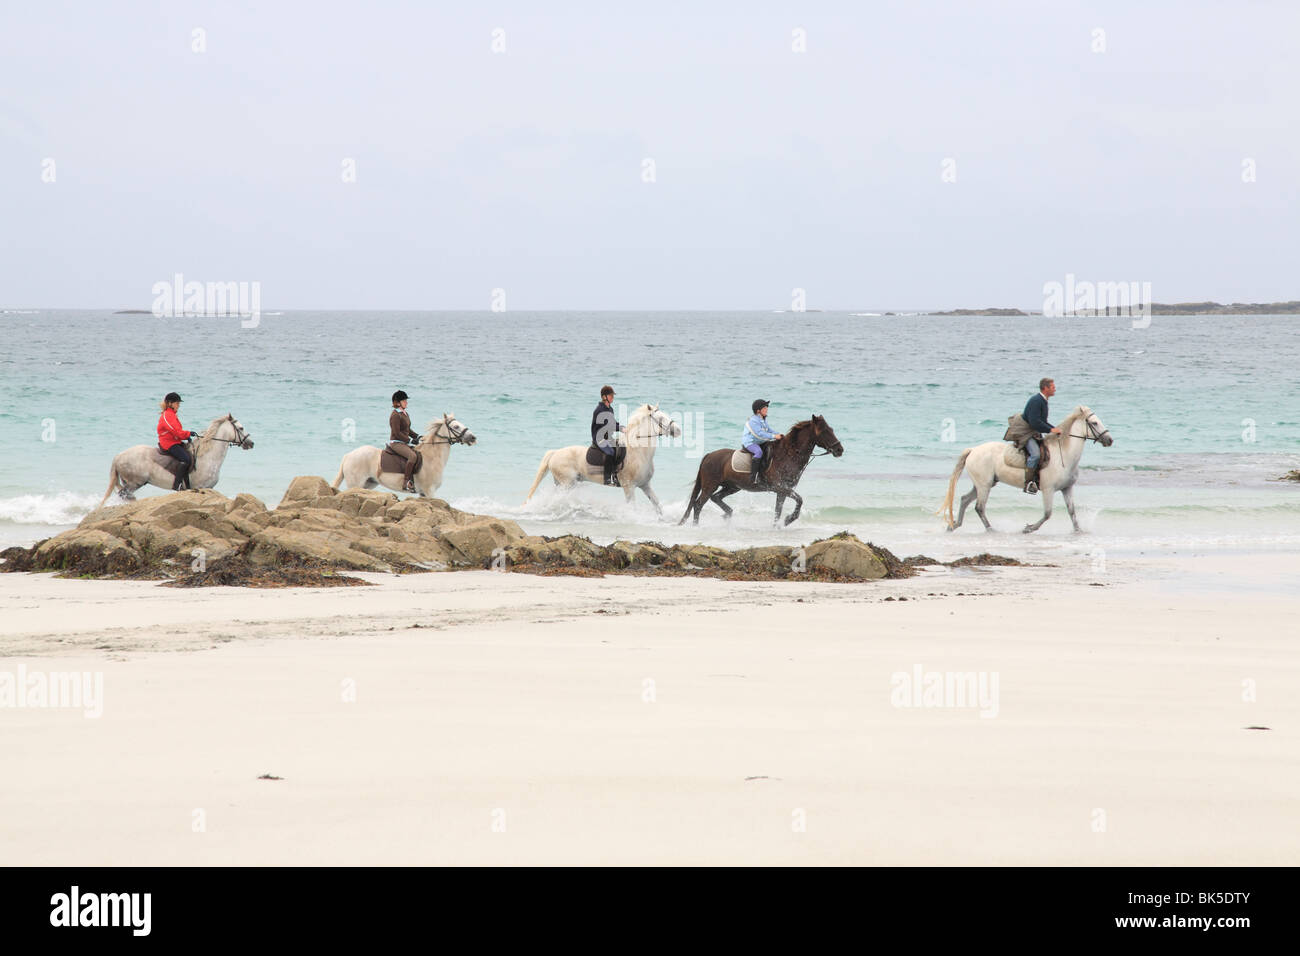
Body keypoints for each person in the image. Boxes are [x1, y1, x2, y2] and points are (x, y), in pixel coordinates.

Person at [1022, 378, 1061, 494]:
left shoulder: (1043, 401)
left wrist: (1055, 429)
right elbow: (1034, 422)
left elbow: (1042, 421)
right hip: (1026, 432)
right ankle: (1028, 483)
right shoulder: (1036, 401)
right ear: (1045, 388)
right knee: (1035, 454)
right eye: (1053, 387)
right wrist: (1050, 429)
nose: (1055, 389)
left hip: (1034, 431)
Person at [157, 392, 197, 491]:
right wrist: (187, 434)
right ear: (170, 403)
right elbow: (176, 431)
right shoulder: (167, 415)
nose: (179, 405)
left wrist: (186, 436)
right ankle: (177, 485)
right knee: (185, 459)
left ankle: (187, 485)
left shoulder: (172, 414)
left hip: (175, 441)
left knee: (190, 454)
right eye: (177, 403)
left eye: (179, 403)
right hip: (168, 443)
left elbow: (176, 432)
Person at [741, 399, 783, 485]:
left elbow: (769, 430)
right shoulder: (753, 420)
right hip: (750, 443)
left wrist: (779, 435)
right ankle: (754, 477)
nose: (767, 409)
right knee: (759, 452)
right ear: (758, 411)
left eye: (766, 407)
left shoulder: (762, 420)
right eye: (764, 408)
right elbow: (759, 434)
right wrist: (774, 436)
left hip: (760, 442)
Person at [388, 390, 421, 492]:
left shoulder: (405, 414)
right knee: (413, 456)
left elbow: (408, 430)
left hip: (404, 442)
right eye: (404, 400)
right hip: (396, 442)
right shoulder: (395, 415)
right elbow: (397, 433)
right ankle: (406, 483)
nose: (406, 402)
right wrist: (410, 440)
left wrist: (418, 436)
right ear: (398, 403)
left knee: (420, 453)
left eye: (406, 400)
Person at [591, 385, 621, 486]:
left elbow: (613, 423)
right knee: (610, 452)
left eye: (613, 395)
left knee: (620, 448)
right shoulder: (599, 410)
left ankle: (616, 476)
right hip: (599, 438)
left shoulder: (610, 409)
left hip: (608, 437)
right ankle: (607, 479)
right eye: (611, 395)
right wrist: (620, 429)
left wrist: (624, 427)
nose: (613, 397)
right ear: (604, 397)